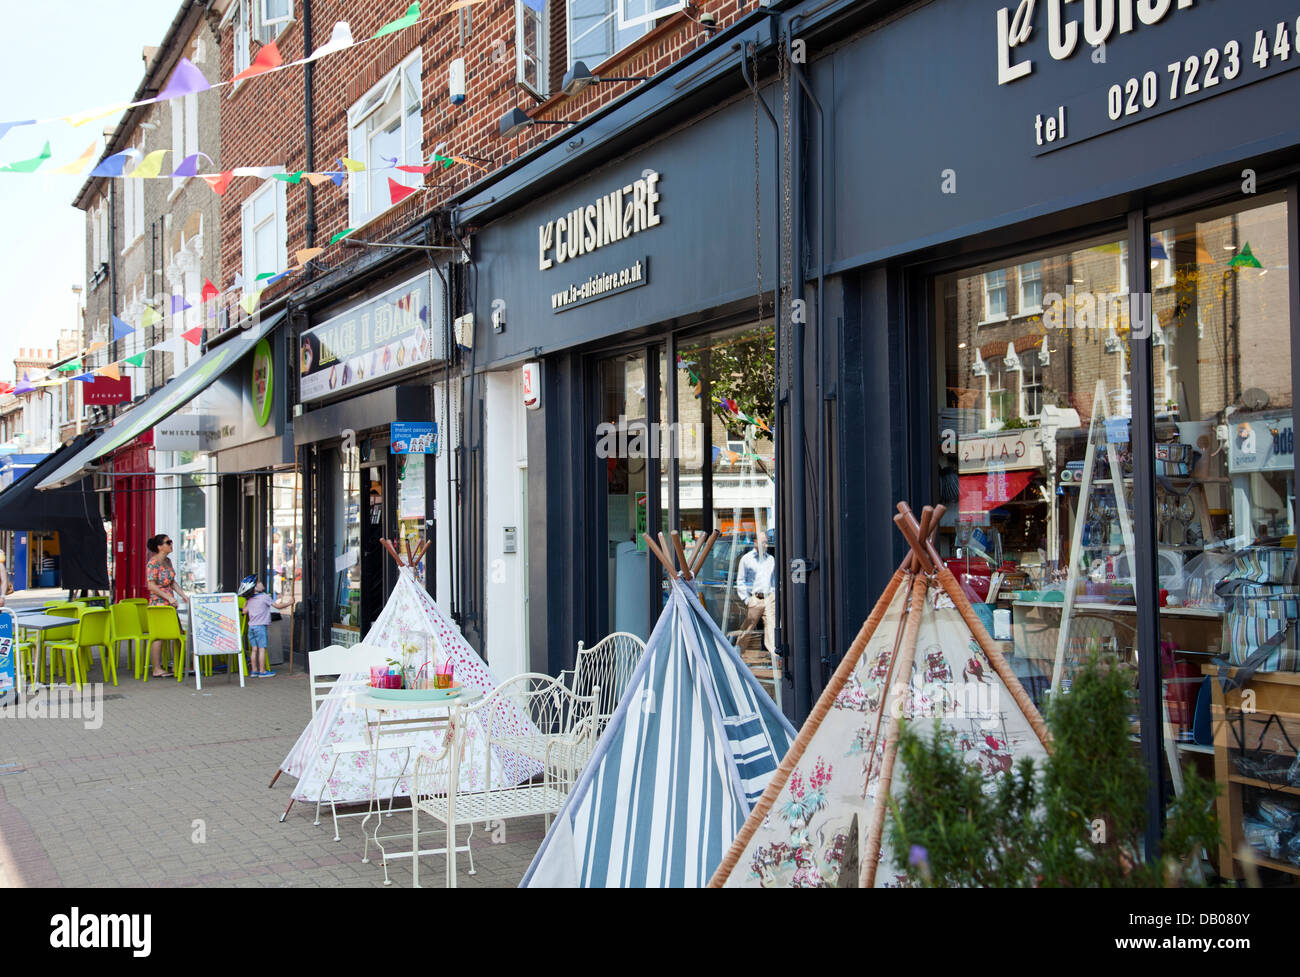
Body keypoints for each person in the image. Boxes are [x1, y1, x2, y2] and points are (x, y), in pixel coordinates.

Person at [146, 534, 189, 679]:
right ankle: (156, 668)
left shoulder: (167, 561)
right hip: (159, 604)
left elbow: (172, 581)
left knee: (177, 633)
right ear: (159, 547)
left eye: (171, 541)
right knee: (159, 636)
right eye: (168, 542)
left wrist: (183, 595)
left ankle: (177, 663)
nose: (171, 544)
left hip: (169, 604)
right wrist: (169, 597)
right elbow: (151, 585)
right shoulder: (153, 563)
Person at [240, 574, 294, 678]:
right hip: (260, 627)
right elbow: (278, 606)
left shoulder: (250, 600)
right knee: (262, 649)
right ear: (255, 587)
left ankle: (254, 671)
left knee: (254, 649)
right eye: (259, 582)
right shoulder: (264, 597)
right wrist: (290, 603)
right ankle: (262, 671)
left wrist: (246, 601)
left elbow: (244, 611)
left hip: (251, 627)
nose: (261, 583)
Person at [736, 532, 776, 656]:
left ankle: (774, 656)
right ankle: (738, 652)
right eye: (763, 542)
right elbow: (741, 580)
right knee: (748, 627)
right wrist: (747, 599)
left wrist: (774, 594)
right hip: (755, 598)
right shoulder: (746, 559)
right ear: (755, 543)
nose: (766, 545)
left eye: (766, 542)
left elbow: (773, 579)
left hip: (769, 597)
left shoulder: (770, 559)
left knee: (771, 627)